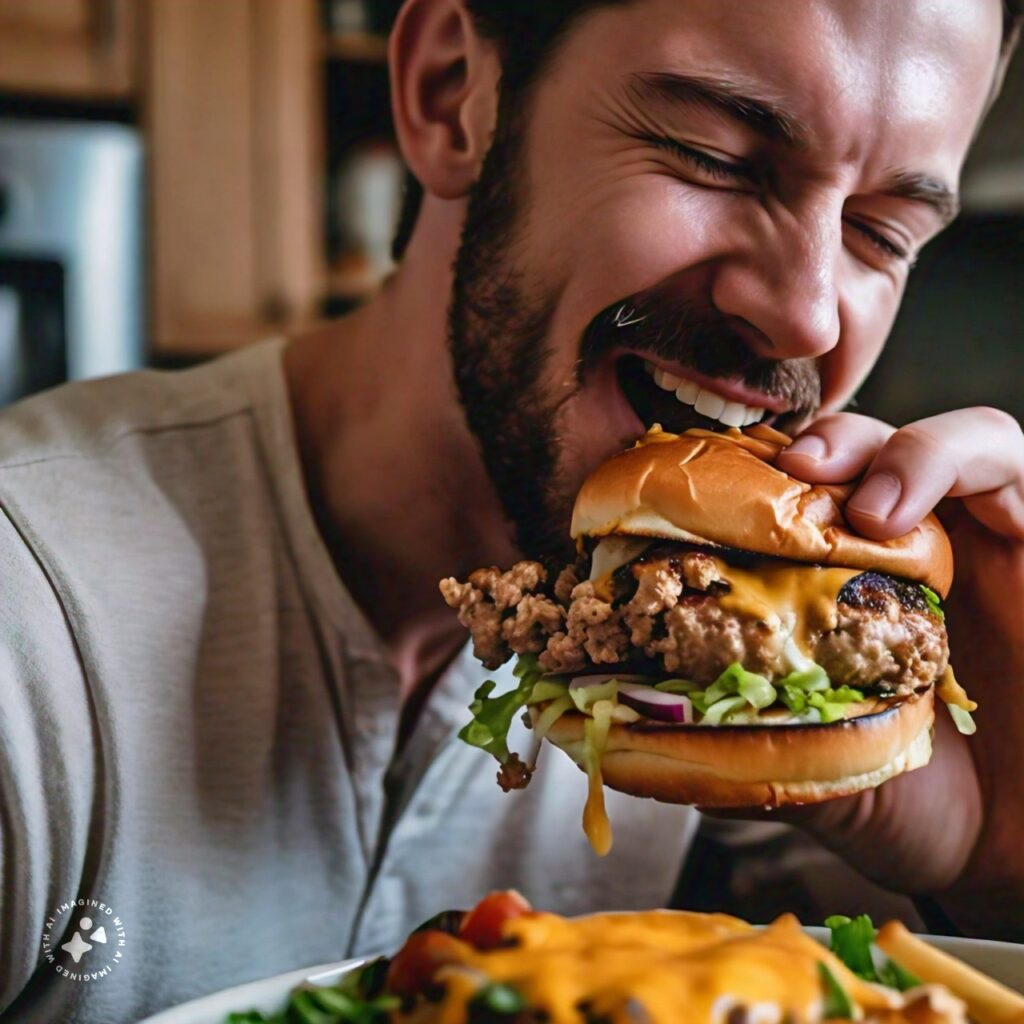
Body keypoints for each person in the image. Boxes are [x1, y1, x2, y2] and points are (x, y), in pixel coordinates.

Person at [1, 1, 1022, 1021]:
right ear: (451, 97)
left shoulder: (735, 689)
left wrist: (990, 853)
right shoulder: (31, 617)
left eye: (880, 233)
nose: (807, 309)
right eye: (714, 155)